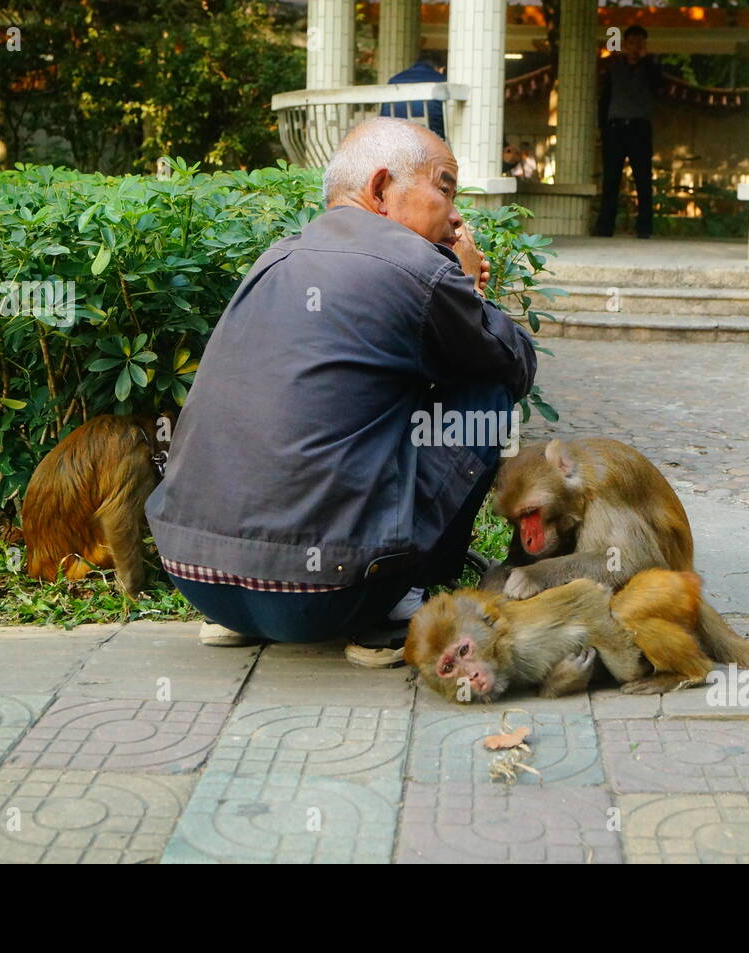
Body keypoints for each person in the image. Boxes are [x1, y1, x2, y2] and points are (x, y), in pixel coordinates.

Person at [145, 118, 537, 663]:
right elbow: (515, 363)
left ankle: (241, 610)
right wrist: (469, 291)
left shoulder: (276, 257)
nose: (456, 215)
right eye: (444, 188)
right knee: (488, 390)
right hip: (331, 597)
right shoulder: (418, 267)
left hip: (196, 575)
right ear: (380, 189)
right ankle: (397, 605)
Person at [595, 25, 665, 239]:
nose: (636, 46)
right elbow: (604, 99)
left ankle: (644, 229)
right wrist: (602, 128)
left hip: (639, 128)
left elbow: (658, 87)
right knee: (611, 179)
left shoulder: (652, 66)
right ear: (625, 43)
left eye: (640, 42)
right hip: (615, 128)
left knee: (643, 179)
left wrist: (645, 60)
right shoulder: (614, 67)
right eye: (632, 42)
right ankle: (605, 228)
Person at [380, 50, 448, 139]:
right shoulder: (442, 80)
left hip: (394, 137)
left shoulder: (393, 80)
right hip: (431, 139)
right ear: (441, 69)